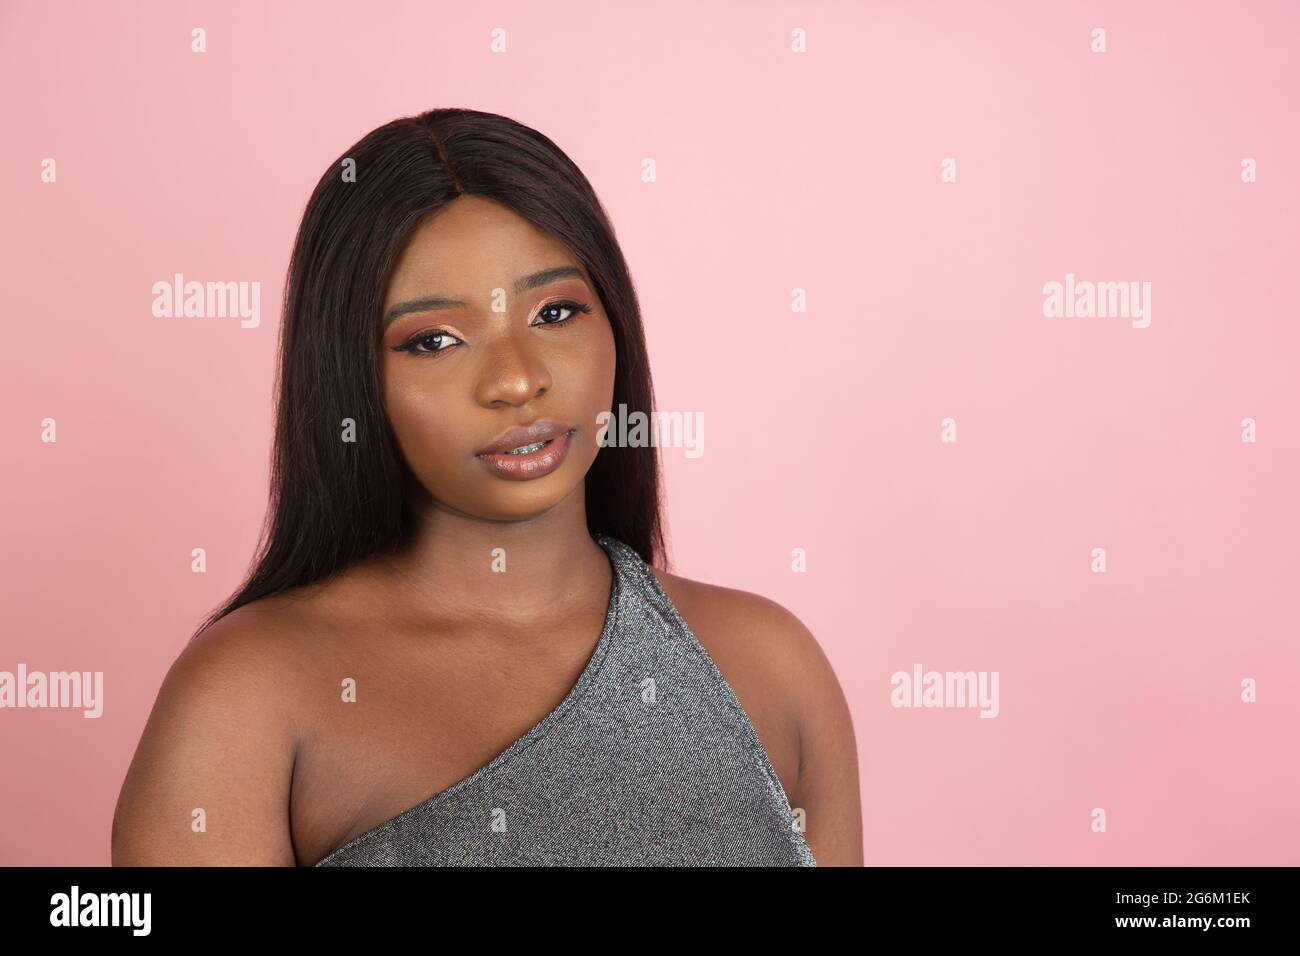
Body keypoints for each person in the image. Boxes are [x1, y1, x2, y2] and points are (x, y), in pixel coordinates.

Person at [111, 108, 862, 866]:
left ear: (616, 325)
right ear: (351, 376)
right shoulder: (247, 701)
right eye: (434, 339)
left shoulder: (770, 665)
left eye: (556, 311)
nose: (516, 379)